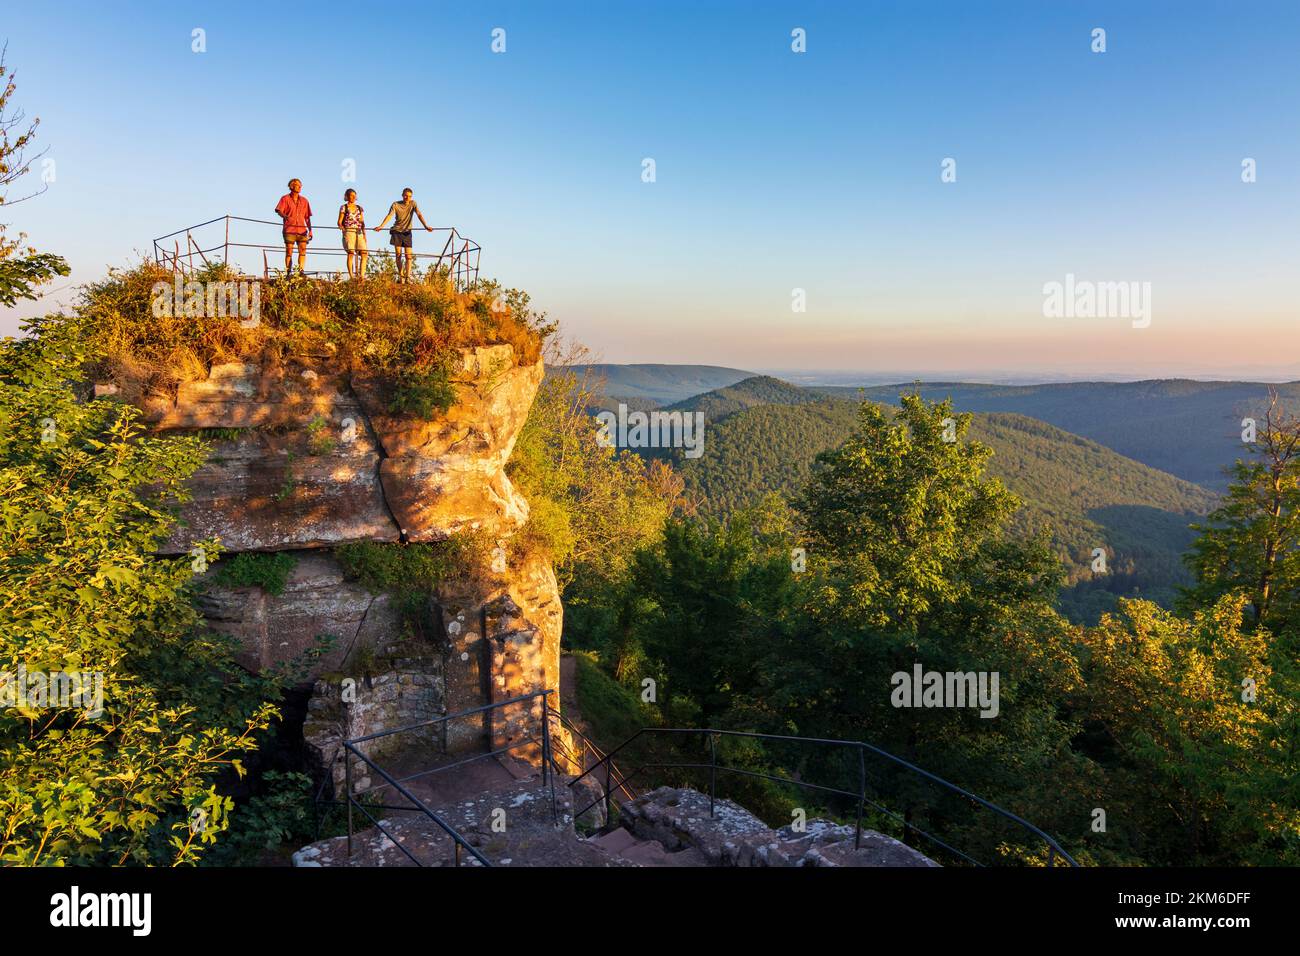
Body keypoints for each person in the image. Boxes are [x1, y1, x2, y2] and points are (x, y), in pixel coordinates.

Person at [373, 187, 433, 282]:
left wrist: (426, 225)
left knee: (408, 256)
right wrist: (381, 226)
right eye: (405, 195)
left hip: (407, 232)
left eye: (409, 196)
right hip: (397, 231)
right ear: (402, 195)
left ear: (411, 197)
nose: (407, 198)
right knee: (398, 255)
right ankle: (401, 277)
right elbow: (389, 215)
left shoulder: (413, 203)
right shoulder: (396, 204)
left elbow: (419, 214)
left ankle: (407, 277)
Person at [274, 178, 312, 275]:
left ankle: (301, 271)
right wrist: (285, 216)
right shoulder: (285, 198)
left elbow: (307, 217)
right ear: (291, 186)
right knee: (289, 251)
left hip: (302, 229)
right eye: (297, 185)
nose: (300, 187)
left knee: (303, 250)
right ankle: (288, 272)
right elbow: (279, 210)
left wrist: (310, 230)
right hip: (289, 229)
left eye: (300, 185)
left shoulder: (305, 201)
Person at [338, 188, 368, 280]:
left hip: (359, 231)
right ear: (347, 196)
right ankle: (351, 276)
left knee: (364, 253)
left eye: (355, 195)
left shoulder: (359, 208)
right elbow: (339, 222)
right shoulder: (344, 207)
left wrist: (364, 234)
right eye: (351, 195)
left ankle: (362, 276)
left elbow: (362, 222)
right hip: (349, 230)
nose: (353, 197)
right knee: (351, 253)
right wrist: (343, 230)